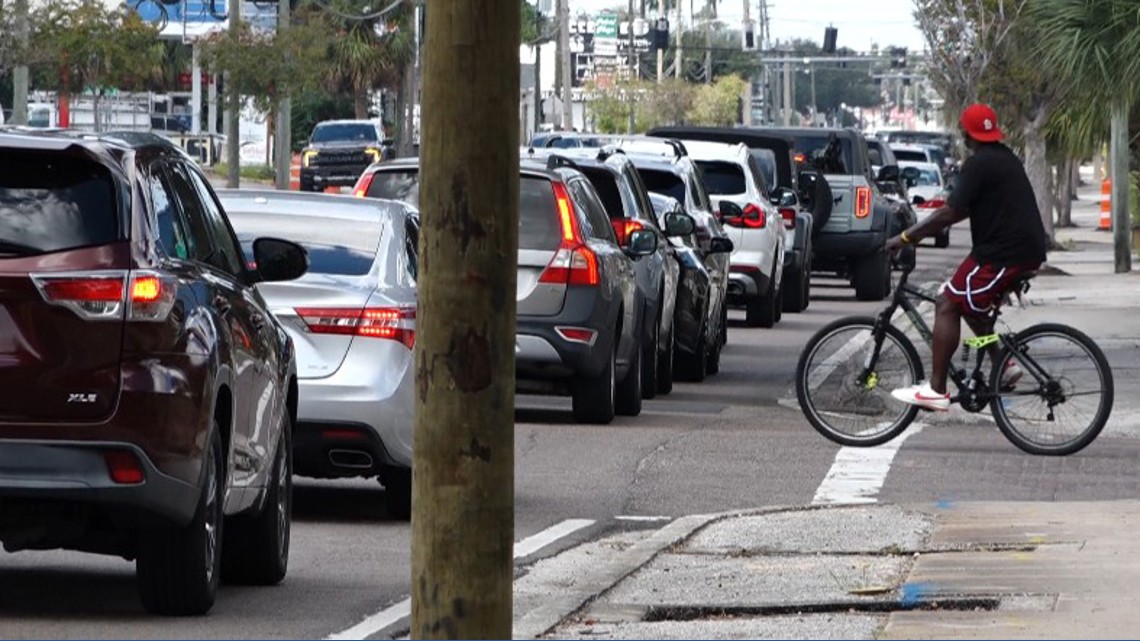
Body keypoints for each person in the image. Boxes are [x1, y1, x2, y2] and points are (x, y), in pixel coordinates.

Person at [886, 103, 1048, 411]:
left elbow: (950, 212)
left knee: (947, 303)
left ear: (965, 135)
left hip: (1004, 253)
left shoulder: (979, 164)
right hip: (1015, 250)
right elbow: (962, 210)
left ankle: (935, 390)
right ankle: (1004, 364)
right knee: (968, 301)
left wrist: (906, 237)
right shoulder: (1004, 158)